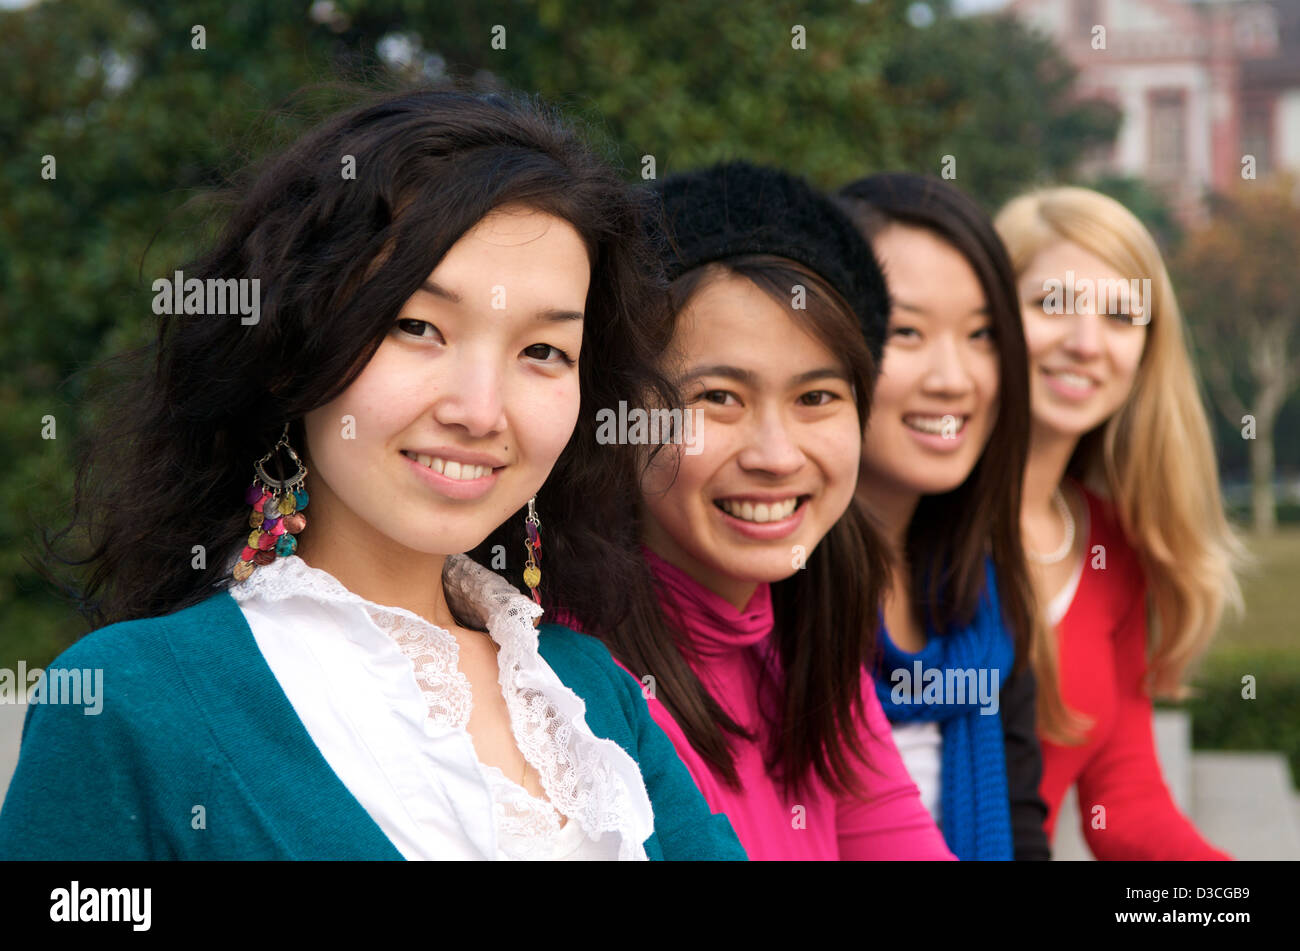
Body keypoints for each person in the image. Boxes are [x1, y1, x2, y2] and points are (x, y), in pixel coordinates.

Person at [0, 89, 745, 861]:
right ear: (292, 350)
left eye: (543, 351)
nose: (481, 410)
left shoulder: (590, 694)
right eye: (418, 327)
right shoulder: (129, 700)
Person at [570, 161, 955, 860]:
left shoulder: (813, 643)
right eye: (719, 397)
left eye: (816, 398)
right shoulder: (578, 680)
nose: (776, 455)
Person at [994, 185, 1242, 860]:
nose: (1084, 343)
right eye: (1052, 304)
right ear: (986, 316)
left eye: (1120, 316)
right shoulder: (909, 523)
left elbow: (1123, 808)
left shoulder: (1110, 544)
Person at [836, 173, 1051, 860]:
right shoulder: (766, 596)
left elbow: (1022, 833)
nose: (954, 377)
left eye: (983, 334)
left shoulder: (985, 605)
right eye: (907, 331)